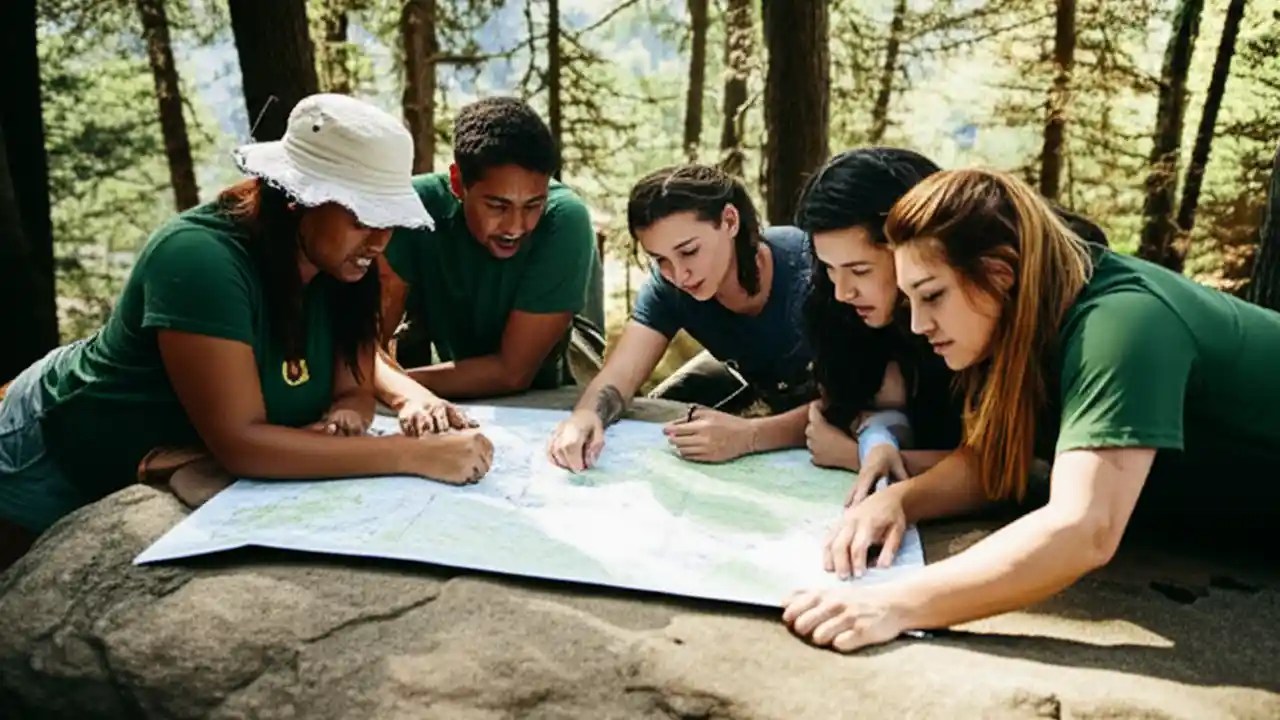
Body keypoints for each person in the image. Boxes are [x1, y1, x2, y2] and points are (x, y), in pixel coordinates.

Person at [783, 167, 1280, 653]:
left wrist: (890, 605)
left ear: (1000, 272)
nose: (917, 325)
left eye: (933, 295)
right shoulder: (1022, 320)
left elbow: (1085, 528)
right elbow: (994, 460)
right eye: (911, 298)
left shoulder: (1123, 326)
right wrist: (900, 501)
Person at [0, 94, 492, 567]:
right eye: (364, 216)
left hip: (152, 452)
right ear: (299, 198)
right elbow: (242, 443)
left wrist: (346, 417)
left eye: (389, 219)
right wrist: (413, 455)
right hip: (48, 452)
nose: (381, 239)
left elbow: (356, 387)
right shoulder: (200, 260)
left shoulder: (346, 267)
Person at [547, 164, 815, 471]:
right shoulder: (670, 287)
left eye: (689, 251)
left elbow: (859, 404)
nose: (678, 275)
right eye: (660, 259)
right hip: (763, 387)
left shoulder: (810, 273)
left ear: (729, 221)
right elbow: (619, 376)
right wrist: (585, 416)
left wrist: (750, 436)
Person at [375, 97, 600, 409]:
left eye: (534, 205)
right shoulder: (412, 208)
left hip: (550, 380)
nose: (516, 227)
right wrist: (382, 381)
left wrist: (390, 384)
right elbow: (367, 347)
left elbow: (513, 373)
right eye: (497, 206)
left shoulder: (565, 220)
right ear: (458, 183)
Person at [795, 148, 964, 505]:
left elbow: (1014, 464)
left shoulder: (966, 324)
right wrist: (877, 441)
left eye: (860, 271)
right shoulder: (841, 312)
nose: (842, 292)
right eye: (828, 268)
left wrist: (854, 456)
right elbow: (855, 409)